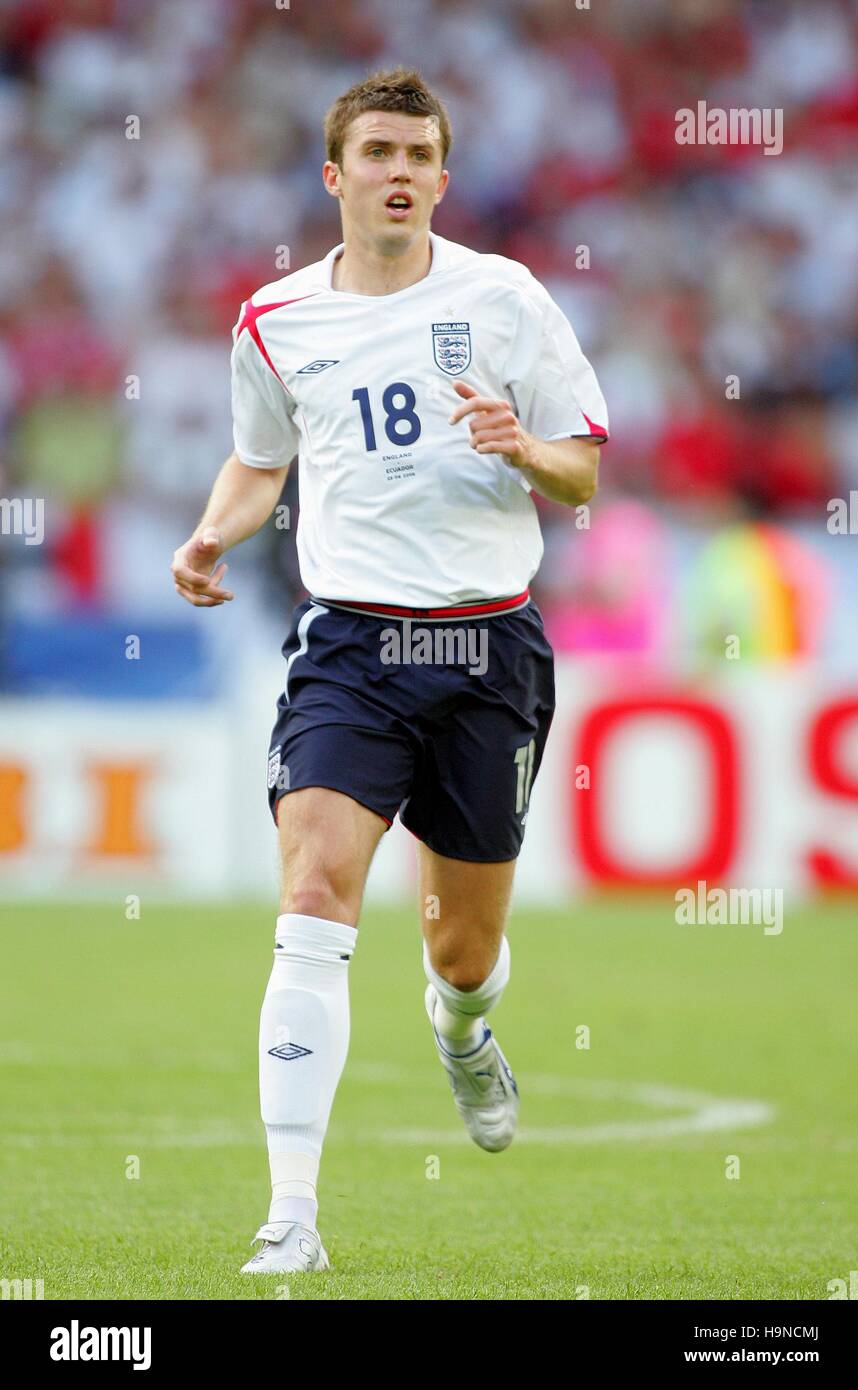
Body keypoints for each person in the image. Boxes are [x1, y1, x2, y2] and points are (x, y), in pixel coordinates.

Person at [170, 67, 608, 1275]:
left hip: (484, 647)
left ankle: (464, 1033)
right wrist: (212, 532)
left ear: (442, 178)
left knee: (458, 953)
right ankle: (292, 1215)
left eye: (418, 154)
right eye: (377, 153)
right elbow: (260, 462)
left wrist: (524, 444)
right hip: (351, 645)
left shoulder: (505, 298)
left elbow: (581, 473)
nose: (399, 173)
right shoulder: (275, 320)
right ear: (336, 175)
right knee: (311, 894)